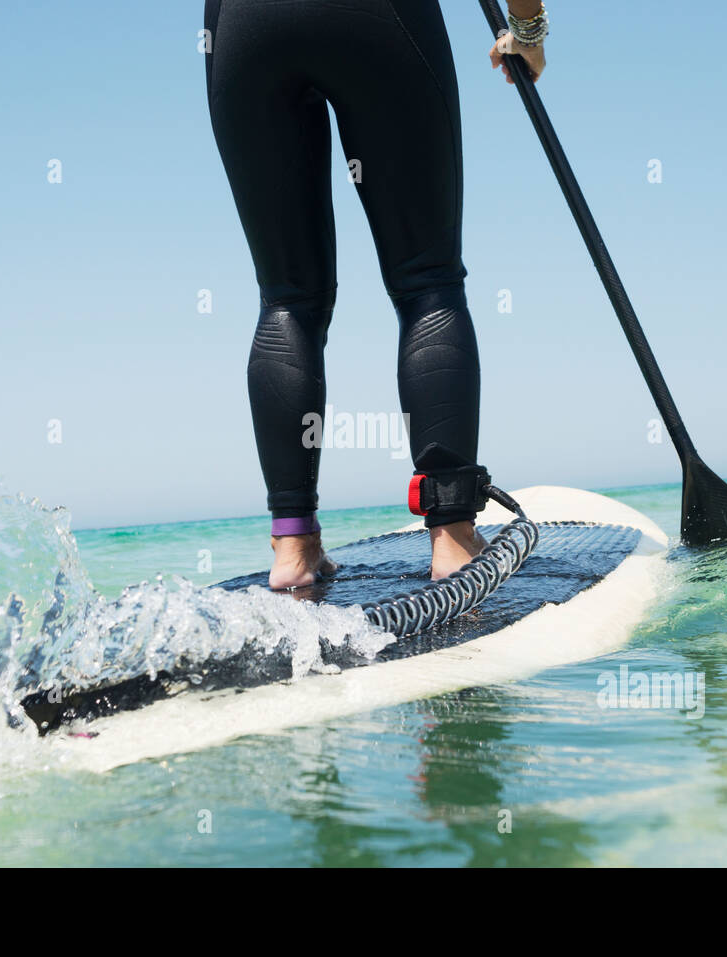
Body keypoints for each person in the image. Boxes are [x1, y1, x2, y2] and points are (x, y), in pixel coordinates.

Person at [204, 0, 548, 588]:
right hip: (379, 17)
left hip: (241, 26)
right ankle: (453, 537)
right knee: (427, 283)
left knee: (287, 299)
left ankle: (293, 547)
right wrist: (527, 29)